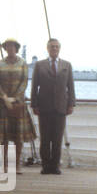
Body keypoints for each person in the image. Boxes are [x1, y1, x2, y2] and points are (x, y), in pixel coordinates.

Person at [31, 38, 75, 175]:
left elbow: (71, 87)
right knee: (45, 139)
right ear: (47, 48)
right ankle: (45, 166)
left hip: (61, 108)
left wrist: (71, 104)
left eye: (56, 47)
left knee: (57, 139)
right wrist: (34, 104)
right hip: (44, 107)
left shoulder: (67, 65)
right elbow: (34, 86)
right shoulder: (39, 65)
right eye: (52, 47)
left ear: (59, 48)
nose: (54, 49)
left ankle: (55, 166)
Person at [0, 38, 36, 174]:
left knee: (18, 136)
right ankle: (4, 165)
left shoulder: (23, 63)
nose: (10, 48)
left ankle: (17, 165)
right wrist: (5, 98)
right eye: (7, 46)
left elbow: (24, 82)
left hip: (18, 103)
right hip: (3, 103)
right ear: (5, 49)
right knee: (4, 136)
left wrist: (15, 98)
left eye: (12, 46)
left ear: (16, 48)